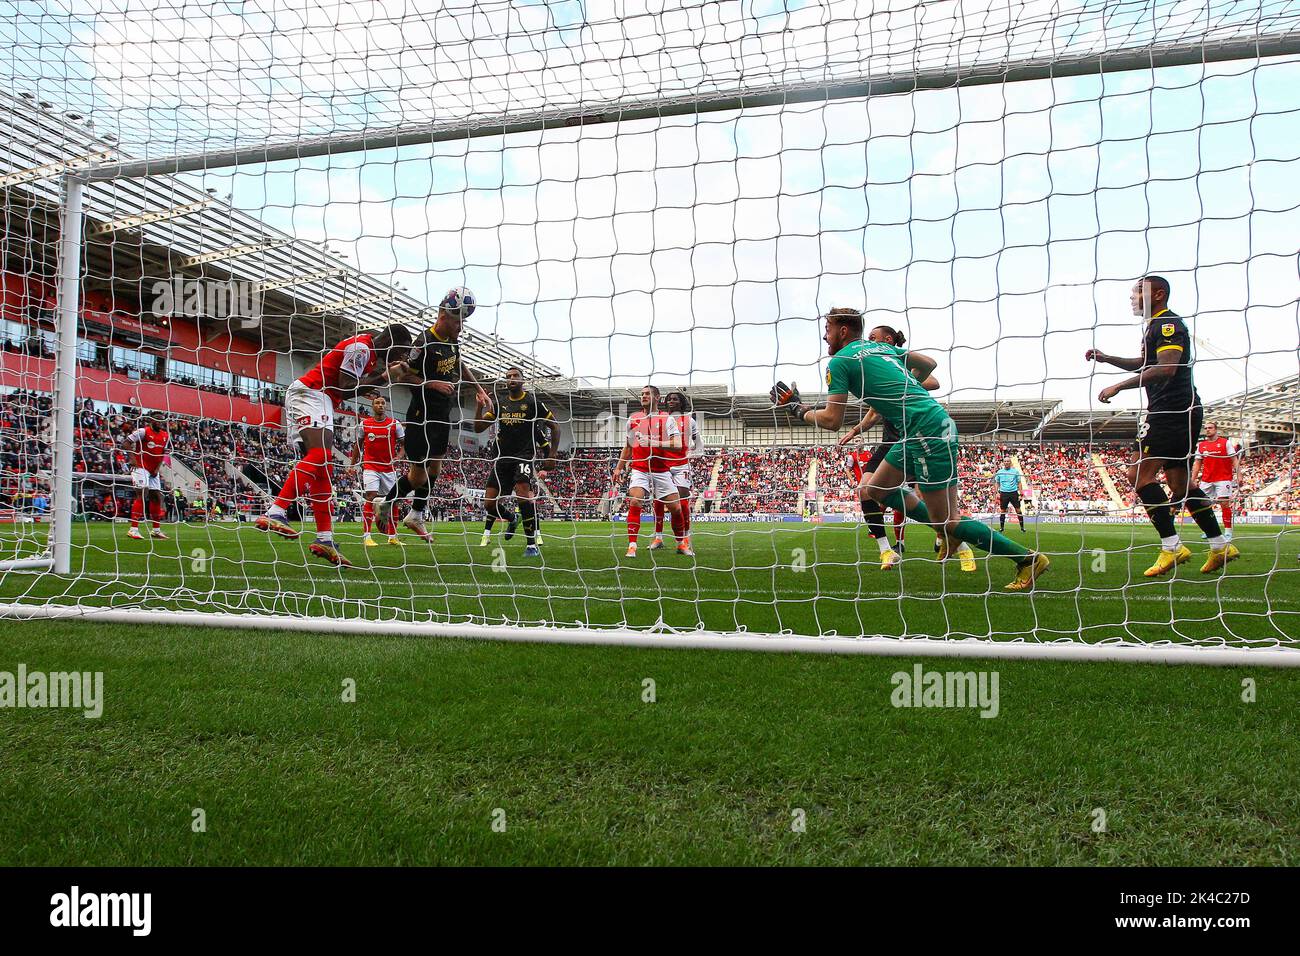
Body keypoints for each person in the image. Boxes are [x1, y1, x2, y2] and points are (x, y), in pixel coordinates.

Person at [773, 307, 1048, 591]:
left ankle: (1026, 558)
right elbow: (929, 363)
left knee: (949, 521)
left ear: (843, 331)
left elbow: (832, 420)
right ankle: (947, 532)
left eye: (827, 329)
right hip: (924, 427)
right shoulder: (879, 348)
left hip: (925, 431)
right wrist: (907, 387)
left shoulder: (839, 362)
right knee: (875, 489)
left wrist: (798, 409)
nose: (824, 336)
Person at [1089, 276, 1238, 575]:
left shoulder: (1167, 324)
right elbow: (1146, 362)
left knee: (1138, 475)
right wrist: (1108, 359)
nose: (1132, 298)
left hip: (1170, 411)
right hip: (1179, 411)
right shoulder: (1155, 327)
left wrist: (1119, 386)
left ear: (1157, 295)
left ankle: (1172, 546)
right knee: (1180, 485)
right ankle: (1220, 544)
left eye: (1136, 293)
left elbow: (1166, 368)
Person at [256, 322, 414, 567]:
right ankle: (276, 511)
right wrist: (385, 377)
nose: (401, 357)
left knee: (324, 468)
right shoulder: (361, 349)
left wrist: (377, 379)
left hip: (321, 398)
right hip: (312, 393)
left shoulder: (368, 350)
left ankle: (325, 539)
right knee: (319, 454)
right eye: (402, 351)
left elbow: (345, 386)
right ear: (390, 342)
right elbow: (344, 388)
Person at [376, 288, 493, 543]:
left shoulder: (452, 341)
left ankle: (416, 514)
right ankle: (387, 504)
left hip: (443, 413)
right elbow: (404, 375)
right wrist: (432, 384)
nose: (461, 327)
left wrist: (480, 389)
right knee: (418, 476)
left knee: (436, 467)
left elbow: (460, 363)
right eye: (458, 320)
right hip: (422, 414)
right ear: (443, 315)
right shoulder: (423, 343)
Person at [473, 366, 558, 558]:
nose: (511, 379)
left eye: (515, 376)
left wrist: (551, 455)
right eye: (508, 377)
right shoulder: (500, 403)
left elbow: (555, 427)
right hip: (502, 459)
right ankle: (512, 518)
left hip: (523, 456)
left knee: (522, 494)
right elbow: (478, 428)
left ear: (522, 380)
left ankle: (531, 545)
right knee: (488, 504)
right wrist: (479, 407)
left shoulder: (533, 403)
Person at [612, 385, 692, 558]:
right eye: (642, 394)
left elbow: (678, 445)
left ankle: (680, 544)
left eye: (647, 394)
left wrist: (653, 442)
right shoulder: (633, 419)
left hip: (661, 470)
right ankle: (632, 546)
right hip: (639, 469)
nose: (643, 396)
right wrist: (619, 467)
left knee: (676, 508)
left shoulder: (667, 419)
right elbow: (628, 446)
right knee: (635, 501)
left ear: (657, 397)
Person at [352, 393, 405, 547]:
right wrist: (352, 464)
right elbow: (358, 444)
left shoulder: (394, 424)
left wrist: (400, 455)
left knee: (393, 501)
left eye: (383, 403)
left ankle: (392, 536)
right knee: (370, 496)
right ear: (372, 406)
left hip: (389, 468)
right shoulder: (365, 424)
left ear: (386, 406)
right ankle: (367, 536)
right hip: (371, 466)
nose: (380, 405)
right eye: (377, 403)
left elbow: (404, 443)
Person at [993, 457, 1026, 533]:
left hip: (1014, 492)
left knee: (1018, 510)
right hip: (1003, 493)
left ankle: (1022, 528)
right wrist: (997, 492)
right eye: (1005, 461)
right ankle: (1001, 528)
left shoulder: (1015, 471)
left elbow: (1019, 483)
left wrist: (1021, 493)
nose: (1006, 462)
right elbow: (997, 483)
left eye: (1008, 461)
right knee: (1003, 511)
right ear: (1003, 462)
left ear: (1010, 462)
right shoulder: (999, 472)